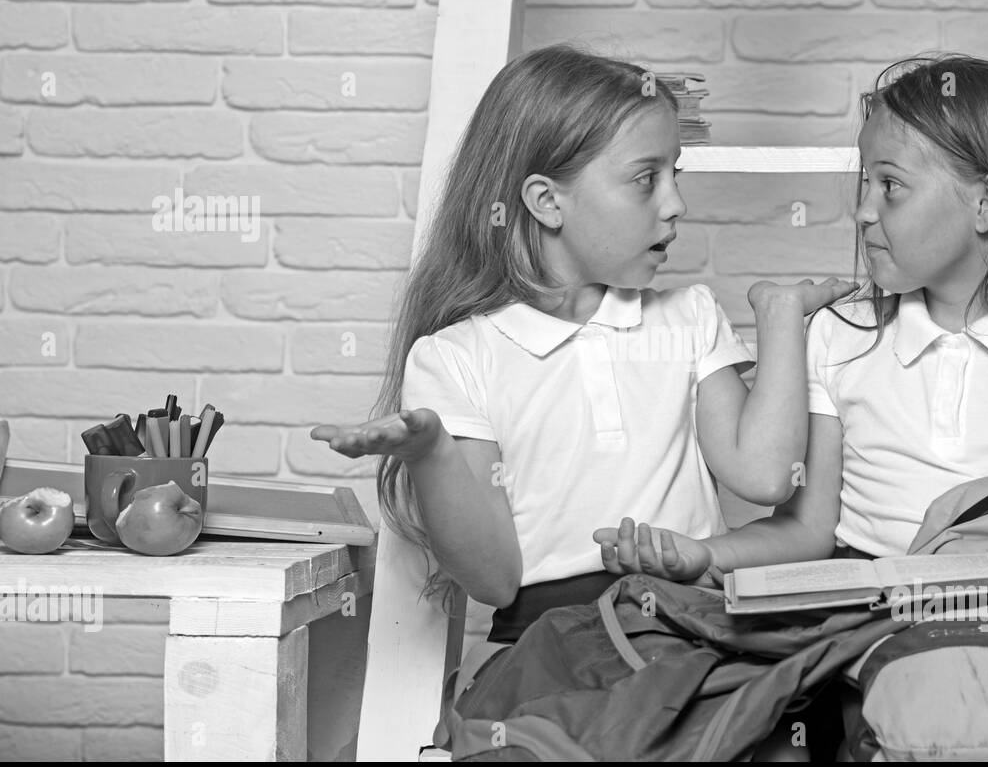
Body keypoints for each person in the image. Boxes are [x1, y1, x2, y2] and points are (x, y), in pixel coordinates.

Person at [597, 54, 988, 757]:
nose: (862, 210)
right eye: (865, 183)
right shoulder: (840, 336)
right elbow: (808, 529)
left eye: (890, 186)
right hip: (876, 643)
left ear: (986, 204)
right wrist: (703, 556)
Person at [310, 44, 856, 645]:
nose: (676, 203)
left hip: (693, 630)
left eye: (675, 174)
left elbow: (767, 477)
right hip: (548, 647)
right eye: (646, 179)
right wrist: (432, 454)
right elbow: (493, 581)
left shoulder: (690, 318)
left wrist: (782, 318)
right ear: (548, 202)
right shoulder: (455, 358)